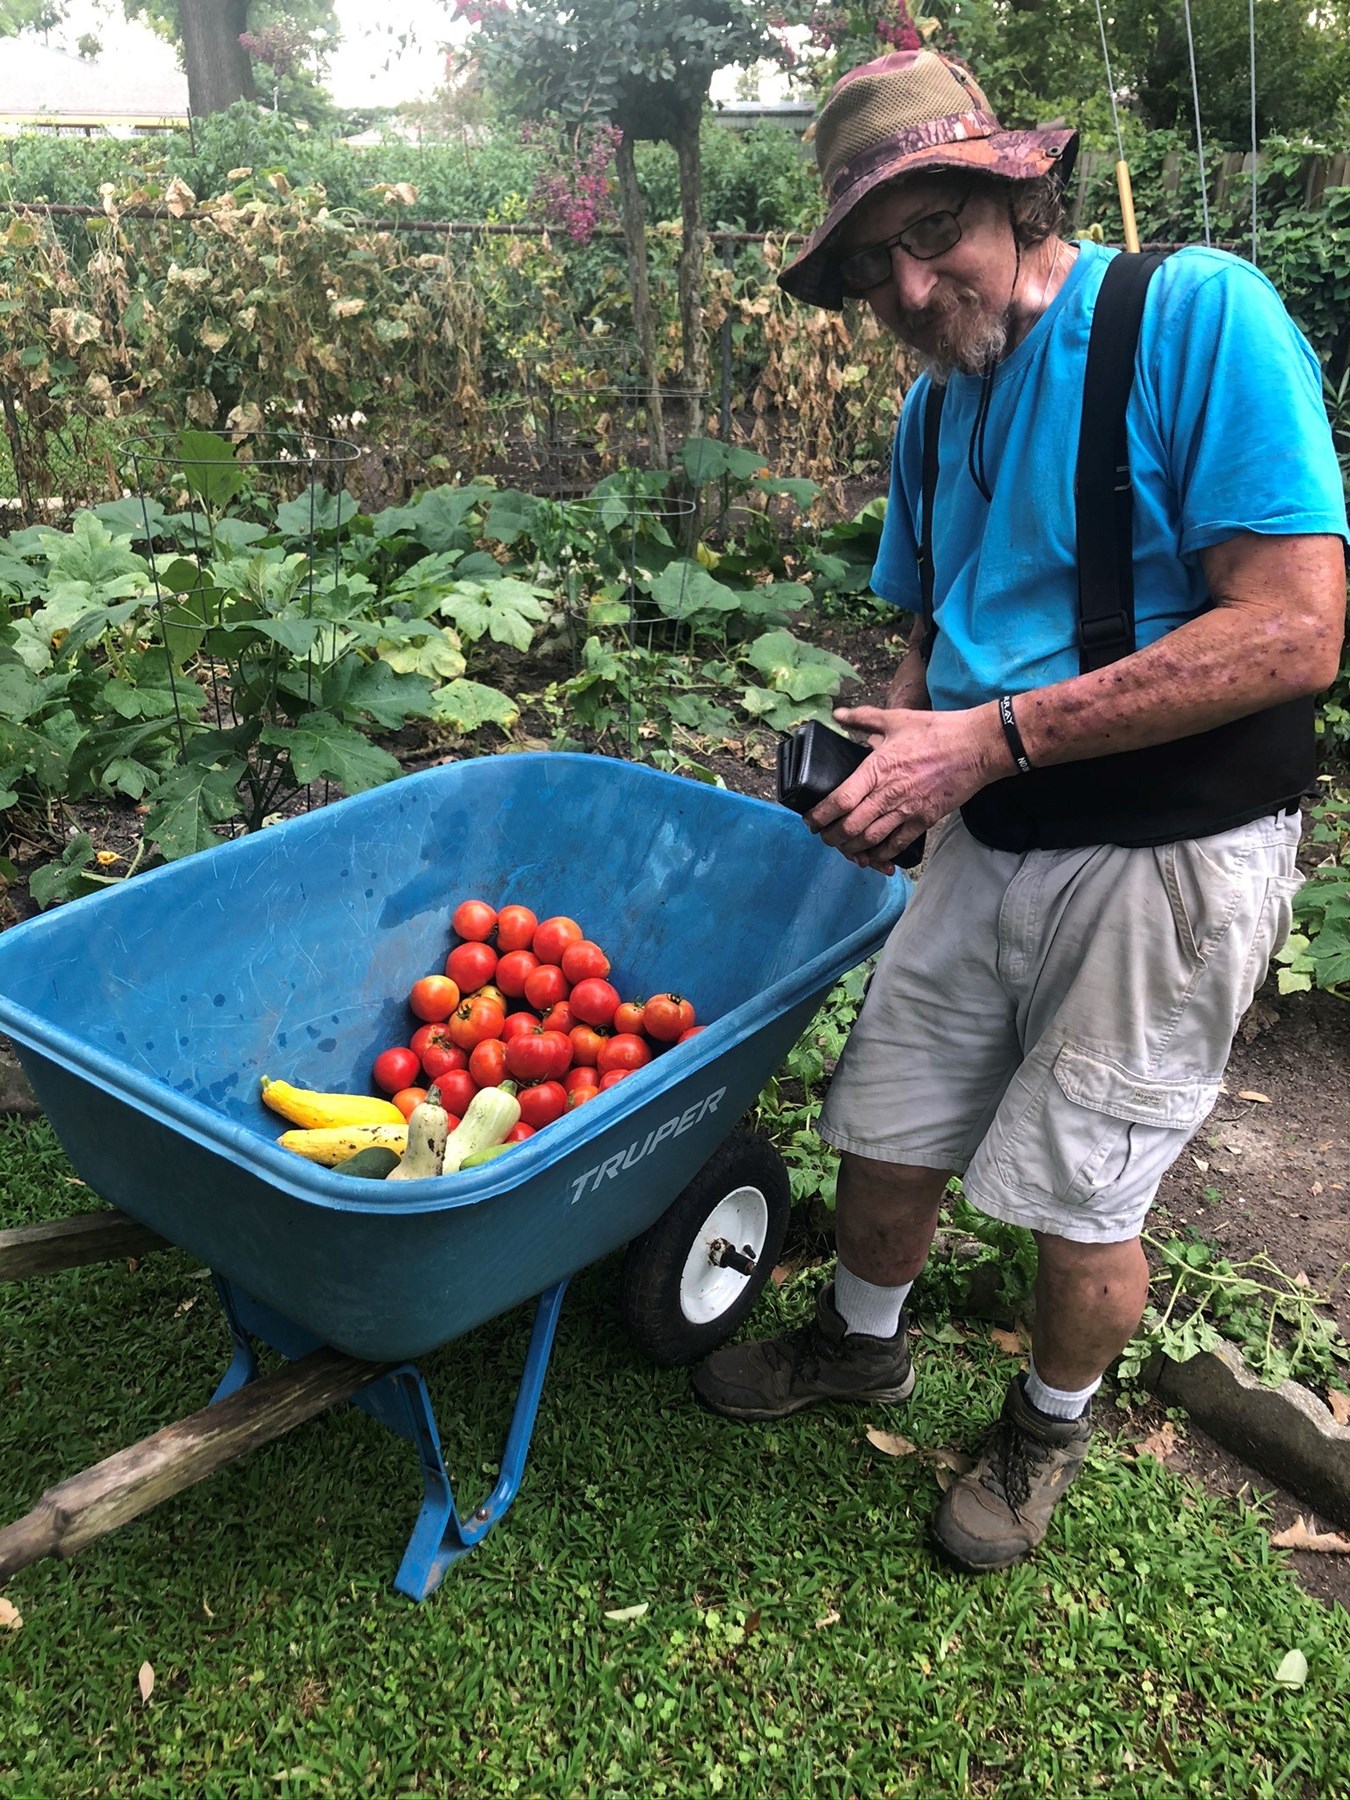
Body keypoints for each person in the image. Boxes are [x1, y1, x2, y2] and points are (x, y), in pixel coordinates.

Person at [692, 47, 1348, 1573]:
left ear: (1015, 190)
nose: (910, 292)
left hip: (1166, 858)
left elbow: (1294, 630)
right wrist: (896, 761)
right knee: (886, 1130)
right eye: (872, 268)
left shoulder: (1192, 317)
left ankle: (1045, 1426)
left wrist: (976, 746)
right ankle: (861, 1344)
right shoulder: (942, 406)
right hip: (982, 830)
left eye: (930, 236)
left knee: (1082, 1191)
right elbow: (927, 632)